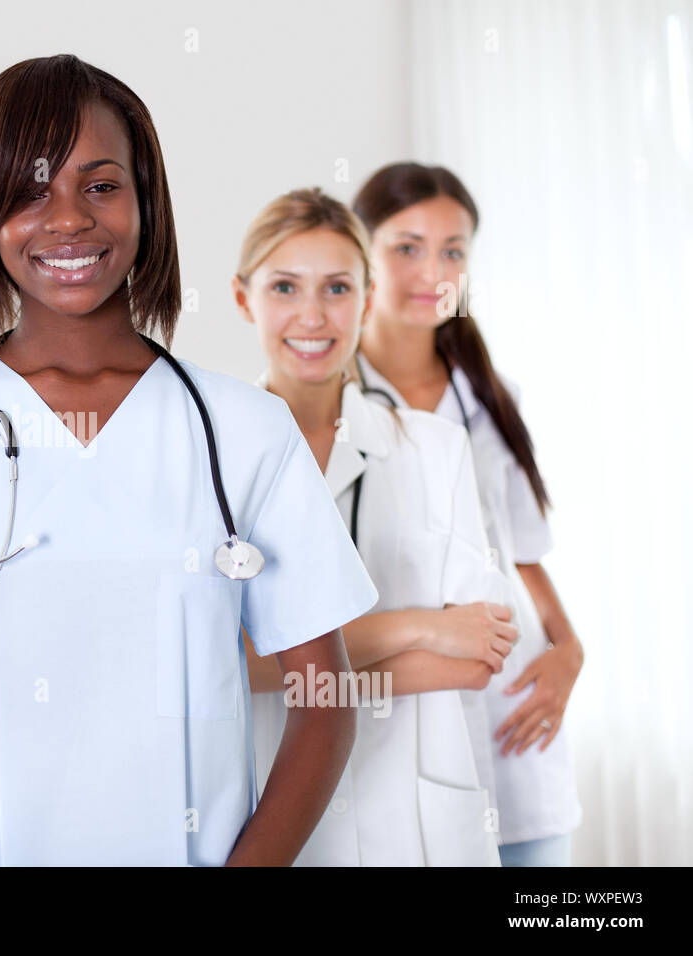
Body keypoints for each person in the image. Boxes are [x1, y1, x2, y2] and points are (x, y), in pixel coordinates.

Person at [0, 54, 378, 866]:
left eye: (100, 186)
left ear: (146, 204)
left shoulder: (246, 430)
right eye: (29, 192)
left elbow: (325, 698)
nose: (68, 220)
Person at [233, 188, 512, 865]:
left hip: (413, 825)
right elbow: (225, 665)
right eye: (284, 287)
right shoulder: (215, 460)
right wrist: (421, 627)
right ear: (243, 299)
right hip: (274, 814)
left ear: (368, 294)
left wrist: (292, 664)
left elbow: (476, 657)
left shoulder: (435, 449)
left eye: (336, 287)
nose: (311, 315)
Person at [352, 162, 583, 866]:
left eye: (454, 250)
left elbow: (522, 549)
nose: (434, 270)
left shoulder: (492, 393)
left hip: (515, 702)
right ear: (360, 251)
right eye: (407, 246)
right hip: (397, 694)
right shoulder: (332, 397)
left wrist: (570, 651)